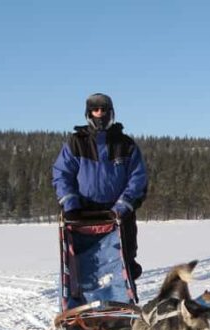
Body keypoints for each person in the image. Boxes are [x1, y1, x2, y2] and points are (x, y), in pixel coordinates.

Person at [52, 93, 147, 279]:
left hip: (118, 214)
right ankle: (79, 301)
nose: (100, 114)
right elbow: (61, 174)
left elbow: (138, 178)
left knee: (124, 261)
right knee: (83, 264)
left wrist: (122, 206)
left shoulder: (126, 144)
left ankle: (124, 298)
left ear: (111, 113)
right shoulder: (76, 142)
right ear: (89, 113)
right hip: (82, 214)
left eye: (104, 110)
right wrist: (70, 204)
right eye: (96, 110)